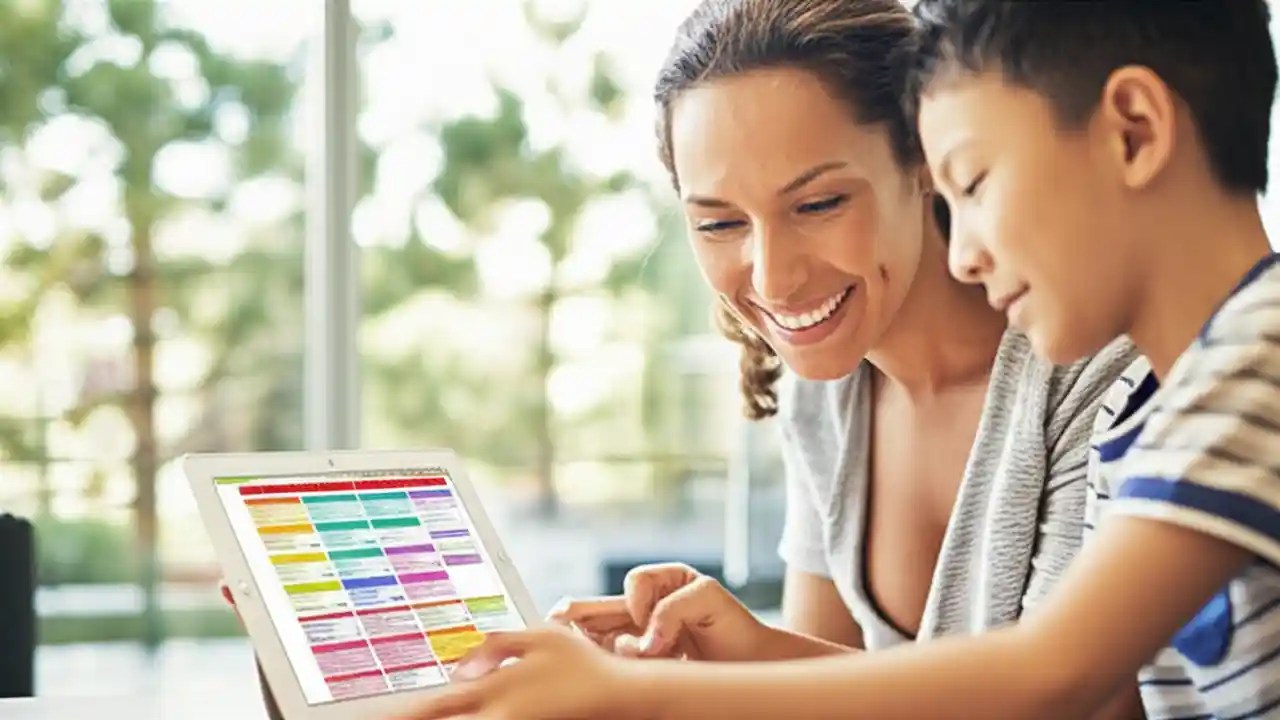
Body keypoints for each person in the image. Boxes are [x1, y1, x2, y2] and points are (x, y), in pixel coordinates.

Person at [396, 1, 1280, 719]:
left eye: (974, 182)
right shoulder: (1170, 408)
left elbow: (1054, 682)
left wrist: (642, 695)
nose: (966, 252)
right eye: (718, 222)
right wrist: (740, 657)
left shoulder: (1231, 369)